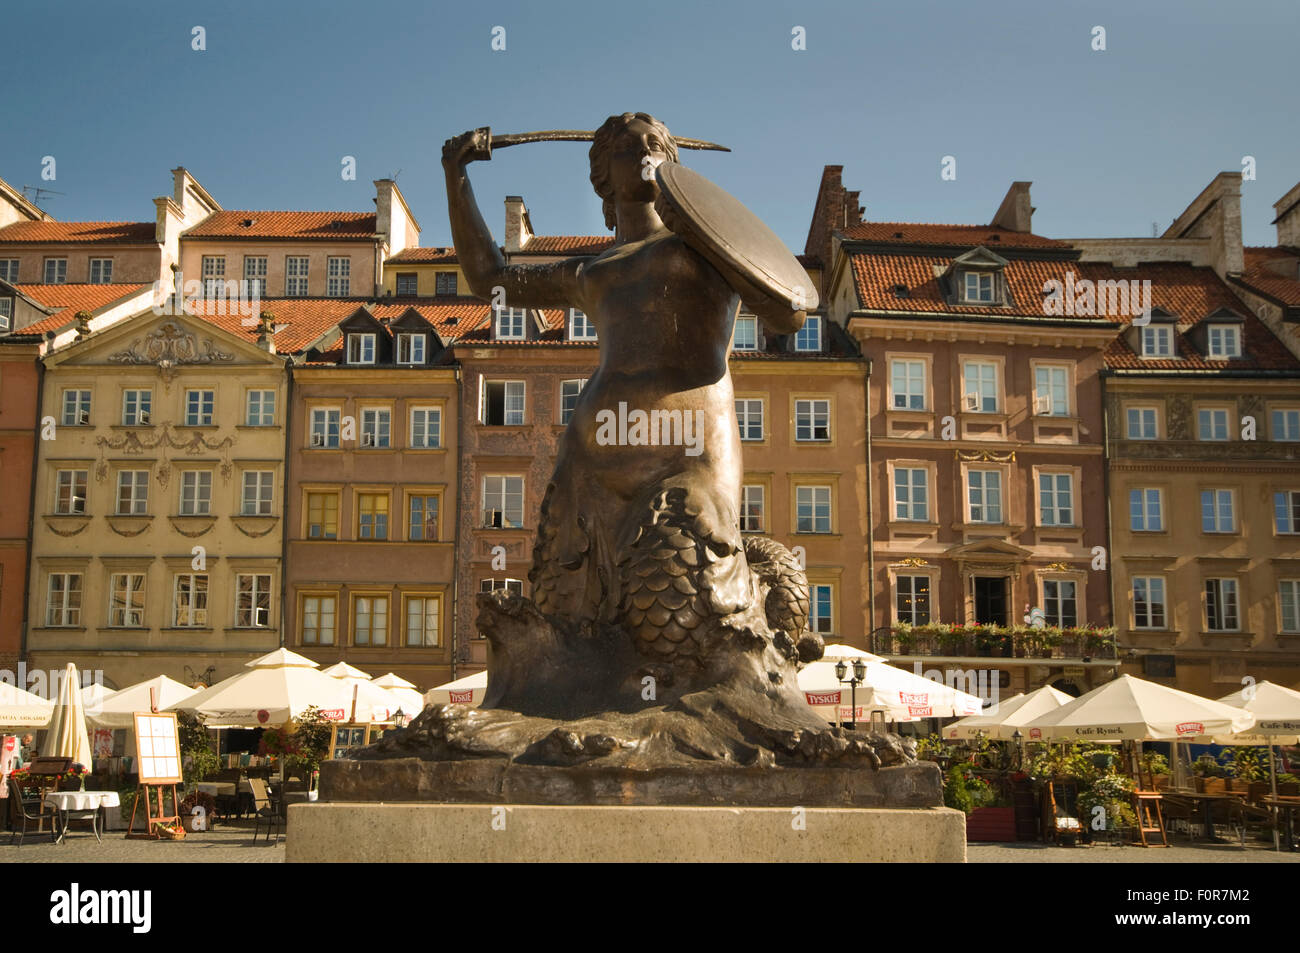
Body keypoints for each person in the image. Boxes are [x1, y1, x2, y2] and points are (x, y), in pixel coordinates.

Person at [442, 113, 807, 667]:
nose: (644, 156)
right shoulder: (592, 270)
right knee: (568, 624)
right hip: (591, 460)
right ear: (602, 175)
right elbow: (489, 277)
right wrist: (457, 176)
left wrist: (714, 228)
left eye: (656, 147)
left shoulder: (706, 250)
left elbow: (788, 313)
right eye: (630, 150)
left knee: (680, 615)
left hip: (686, 450)